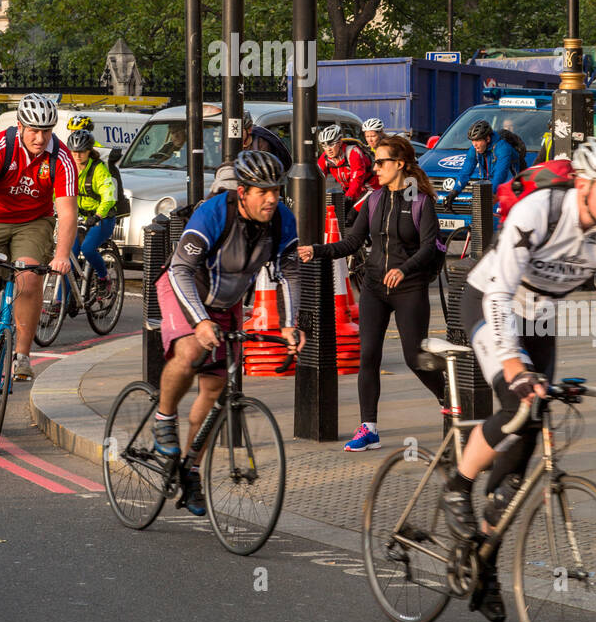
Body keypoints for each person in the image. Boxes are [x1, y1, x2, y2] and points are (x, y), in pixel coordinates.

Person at [441, 138, 596, 622]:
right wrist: (512, 365)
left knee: (522, 457)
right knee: (516, 404)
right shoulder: (539, 211)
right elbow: (498, 292)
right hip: (490, 303)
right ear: (585, 184)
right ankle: (456, 483)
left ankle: (482, 562)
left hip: (540, 321)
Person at [152, 149, 305, 515]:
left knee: (216, 387)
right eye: (263, 191)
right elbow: (180, 270)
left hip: (228, 303)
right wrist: (200, 321)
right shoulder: (214, 213)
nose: (272, 199)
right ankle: (163, 419)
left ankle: (189, 470)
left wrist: (290, 324)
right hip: (184, 290)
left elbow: (290, 273)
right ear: (243, 192)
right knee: (189, 354)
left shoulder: (282, 219)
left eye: (277, 191)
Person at [299, 135, 444, 451]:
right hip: (375, 287)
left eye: (381, 162)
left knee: (414, 357)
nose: (375, 168)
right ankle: (369, 428)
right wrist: (317, 250)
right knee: (368, 356)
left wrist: (404, 269)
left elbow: (430, 247)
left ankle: (450, 398)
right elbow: (351, 242)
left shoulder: (420, 201)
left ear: (400, 164)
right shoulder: (375, 200)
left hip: (410, 287)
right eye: (375, 162)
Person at [0, 94, 77, 412]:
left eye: (47, 131)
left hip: (33, 222)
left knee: (30, 276)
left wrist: (61, 254)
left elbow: (67, 211)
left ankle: (22, 355)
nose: (40, 138)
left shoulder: (60, 158)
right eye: (34, 130)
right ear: (20, 126)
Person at [66, 126, 118, 300]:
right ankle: (61, 302)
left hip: (101, 218)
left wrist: (97, 215)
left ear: (89, 151)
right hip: (78, 217)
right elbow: (56, 192)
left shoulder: (98, 169)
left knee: (88, 249)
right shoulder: (68, 168)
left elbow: (109, 196)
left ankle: (103, 278)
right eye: (74, 151)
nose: (78, 155)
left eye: (82, 151)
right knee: (66, 257)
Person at [440, 119, 520, 209]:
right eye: (472, 141)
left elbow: (500, 174)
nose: (474, 144)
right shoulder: (474, 149)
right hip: (491, 186)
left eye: (477, 140)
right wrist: (454, 192)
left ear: (487, 139)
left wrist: (489, 194)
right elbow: (465, 173)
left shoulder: (503, 148)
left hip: (511, 186)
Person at [317, 123, 378, 223]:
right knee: (336, 217)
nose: (328, 149)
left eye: (331, 144)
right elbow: (317, 177)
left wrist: (348, 198)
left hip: (371, 188)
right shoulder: (325, 157)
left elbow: (357, 179)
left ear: (340, 142)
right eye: (324, 145)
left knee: (351, 216)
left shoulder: (353, 152)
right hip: (350, 191)